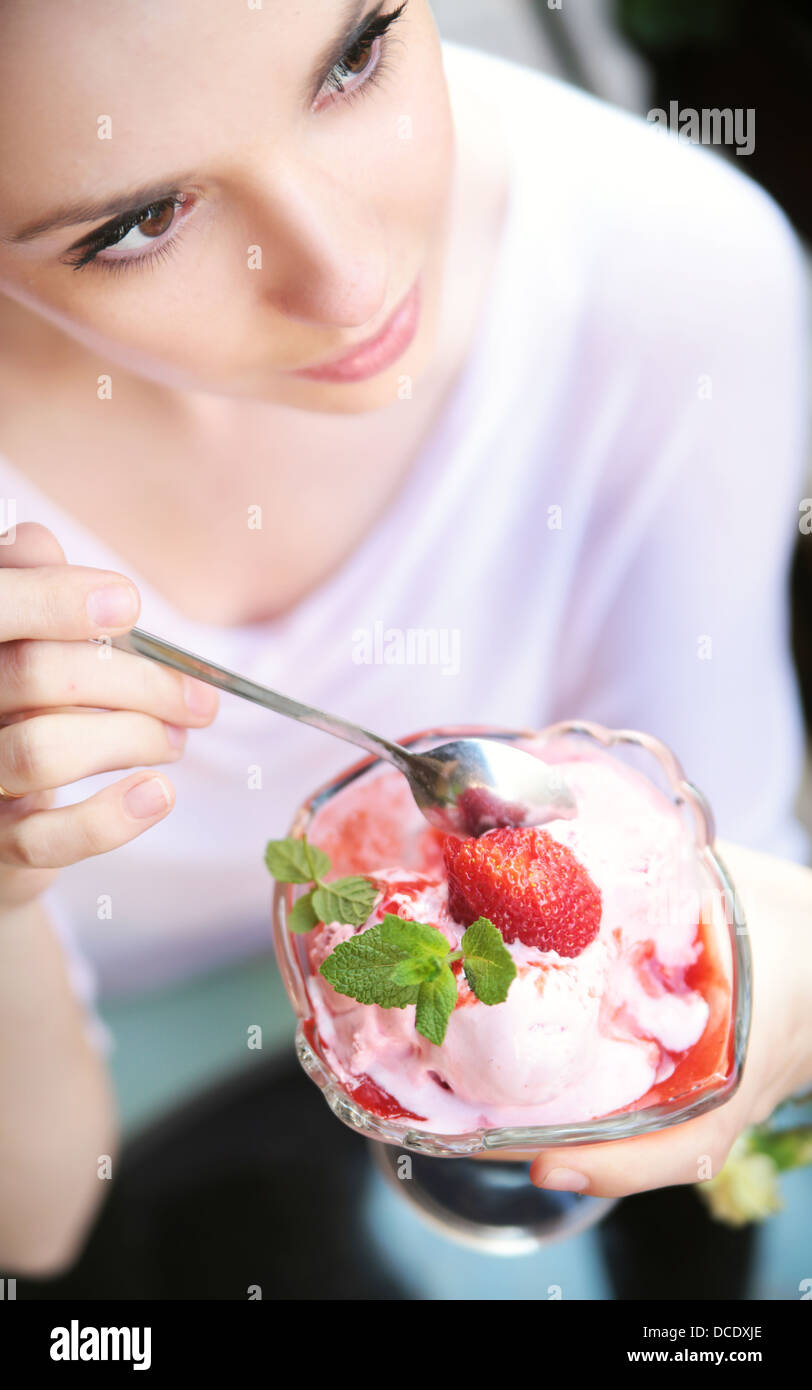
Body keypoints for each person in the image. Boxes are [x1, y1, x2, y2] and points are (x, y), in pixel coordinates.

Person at [0, 0, 809, 1275]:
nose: (350, 278)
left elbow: (733, 904)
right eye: (139, 223)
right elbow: (33, 1228)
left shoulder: (669, 276)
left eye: (354, 57)